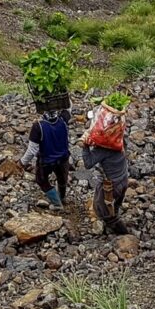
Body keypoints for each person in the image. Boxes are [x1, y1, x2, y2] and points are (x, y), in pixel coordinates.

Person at [81, 99, 130, 235]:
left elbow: (88, 163)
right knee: (115, 205)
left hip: (111, 185)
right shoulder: (118, 140)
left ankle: (124, 235)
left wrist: (85, 146)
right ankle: (115, 218)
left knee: (105, 212)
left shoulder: (103, 149)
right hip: (123, 179)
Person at [25, 105, 72, 208]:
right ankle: (62, 197)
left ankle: (57, 204)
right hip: (63, 158)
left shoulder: (38, 126)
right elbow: (68, 106)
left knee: (41, 180)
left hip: (47, 161)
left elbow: (32, 150)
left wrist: (22, 162)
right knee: (62, 179)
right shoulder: (63, 119)